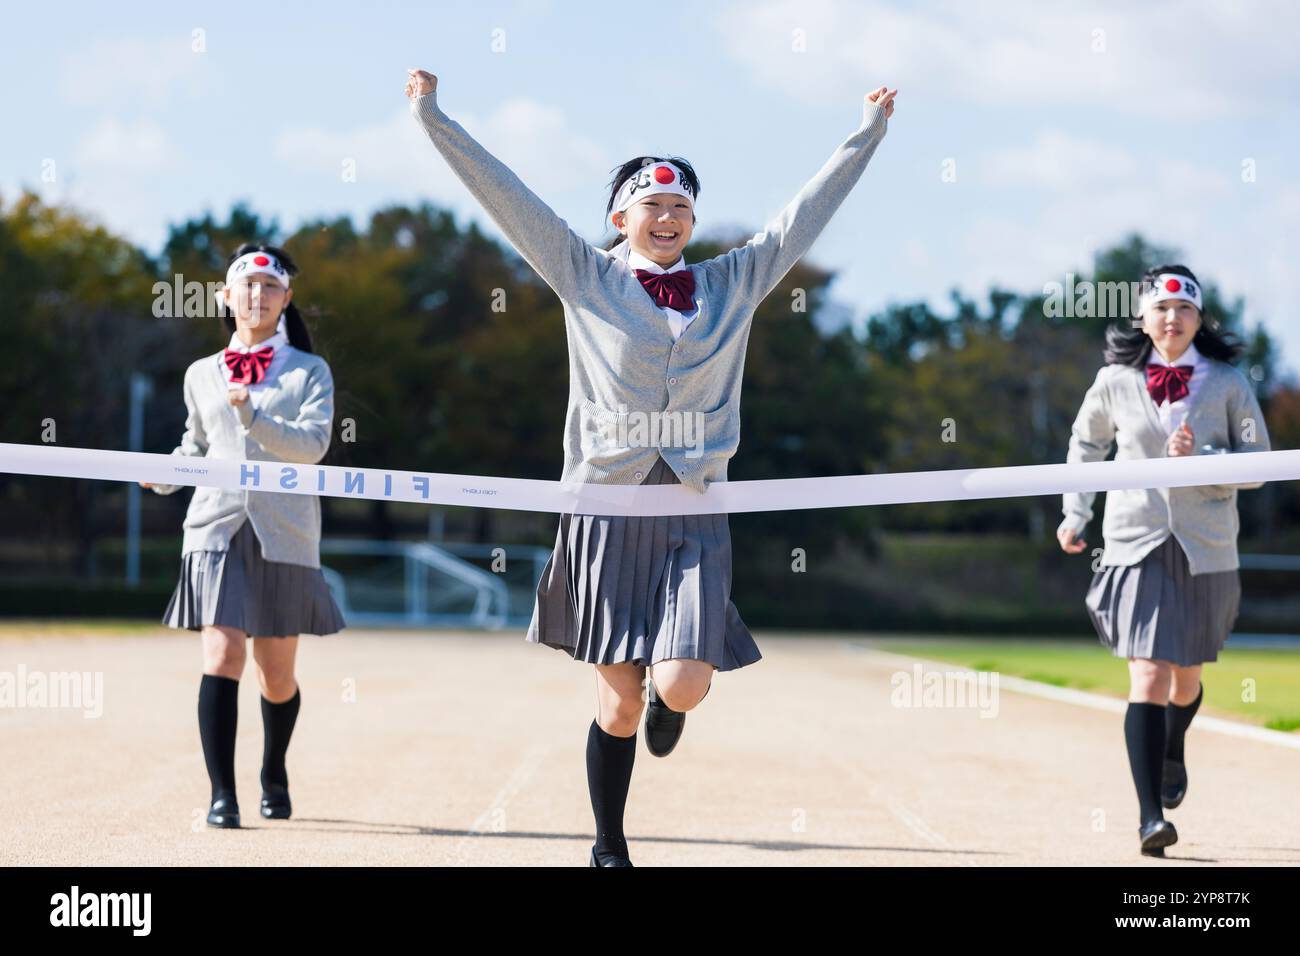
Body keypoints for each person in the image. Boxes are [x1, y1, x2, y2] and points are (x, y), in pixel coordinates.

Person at [405, 68, 895, 865]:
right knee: (620, 703)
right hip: (606, 503)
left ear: (692, 219)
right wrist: (433, 117)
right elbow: (507, 196)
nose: (666, 217)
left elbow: (801, 220)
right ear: (620, 216)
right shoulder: (583, 274)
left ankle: (675, 705)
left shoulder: (731, 283)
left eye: (680, 206)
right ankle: (609, 843)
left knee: (680, 687)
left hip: (694, 504)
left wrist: (866, 133)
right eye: (651, 204)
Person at [1057, 265, 1271, 856]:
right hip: (1135, 543)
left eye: (1184, 310)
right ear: (1143, 318)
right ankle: (1151, 818)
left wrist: (1202, 457)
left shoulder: (1228, 383)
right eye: (1160, 309)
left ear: (1200, 320)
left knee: (1187, 678)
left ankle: (1176, 745)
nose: (1172, 319)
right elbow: (1085, 446)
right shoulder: (1113, 382)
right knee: (1147, 673)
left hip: (1206, 547)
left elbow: (1260, 461)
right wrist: (1076, 513)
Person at [144, 244, 345, 828]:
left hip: (284, 533)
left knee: (275, 673)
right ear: (225, 298)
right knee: (222, 653)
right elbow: (196, 448)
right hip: (214, 528)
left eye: (270, 288)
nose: (257, 297)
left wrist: (254, 414)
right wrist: (165, 476)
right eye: (245, 287)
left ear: (286, 299)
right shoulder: (200, 373)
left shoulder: (310, 372)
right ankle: (221, 796)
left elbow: (311, 447)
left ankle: (273, 773)